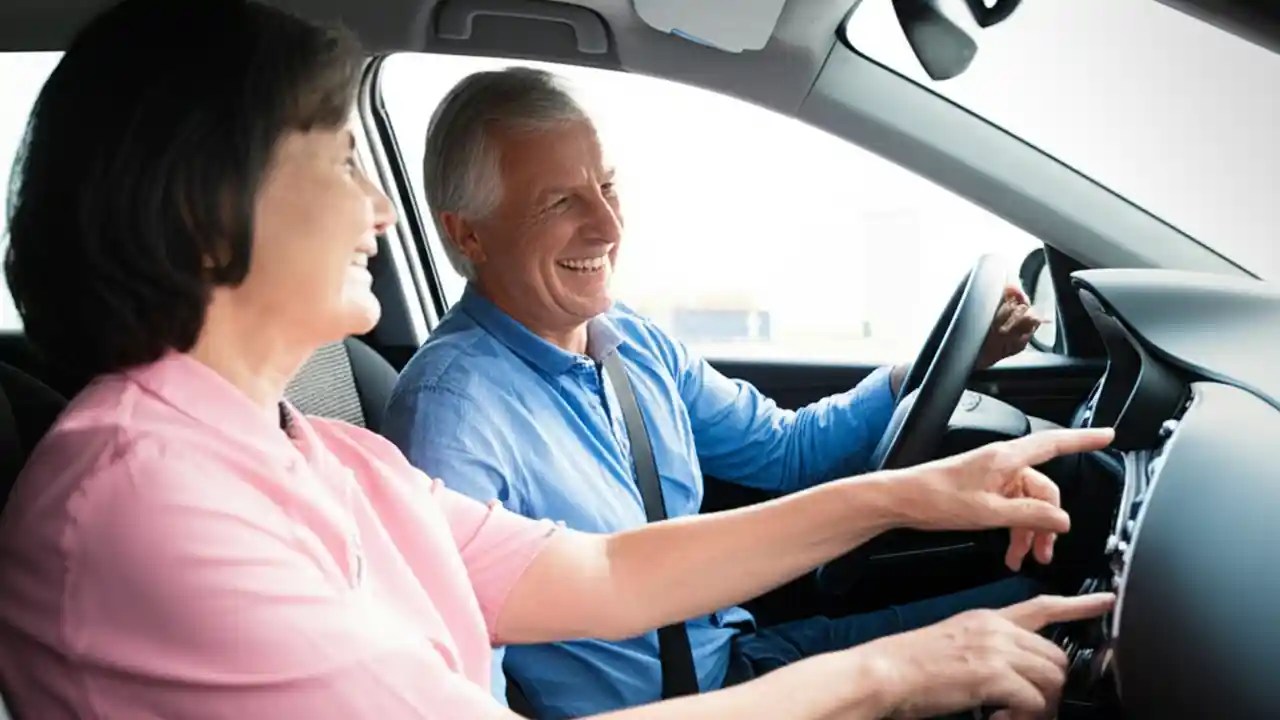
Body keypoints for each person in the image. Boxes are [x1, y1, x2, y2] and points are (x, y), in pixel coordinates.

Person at [0, 1, 1112, 719]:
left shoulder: (323, 456)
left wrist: (913, 493)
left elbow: (601, 575)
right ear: (207, 212)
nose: (381, 208)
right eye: (342, 161)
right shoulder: (139, 498)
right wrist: (890, 673)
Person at [383, 67, 1050, 717]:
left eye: (607, 188)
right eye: (560, 202)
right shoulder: (452, 416)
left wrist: (920, 374)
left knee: (1041, 619)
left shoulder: (630, 340)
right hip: (682, 707)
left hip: (739, 664)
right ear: (468, 231)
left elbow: (783, 449)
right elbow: (466, 681)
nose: (609, 230)